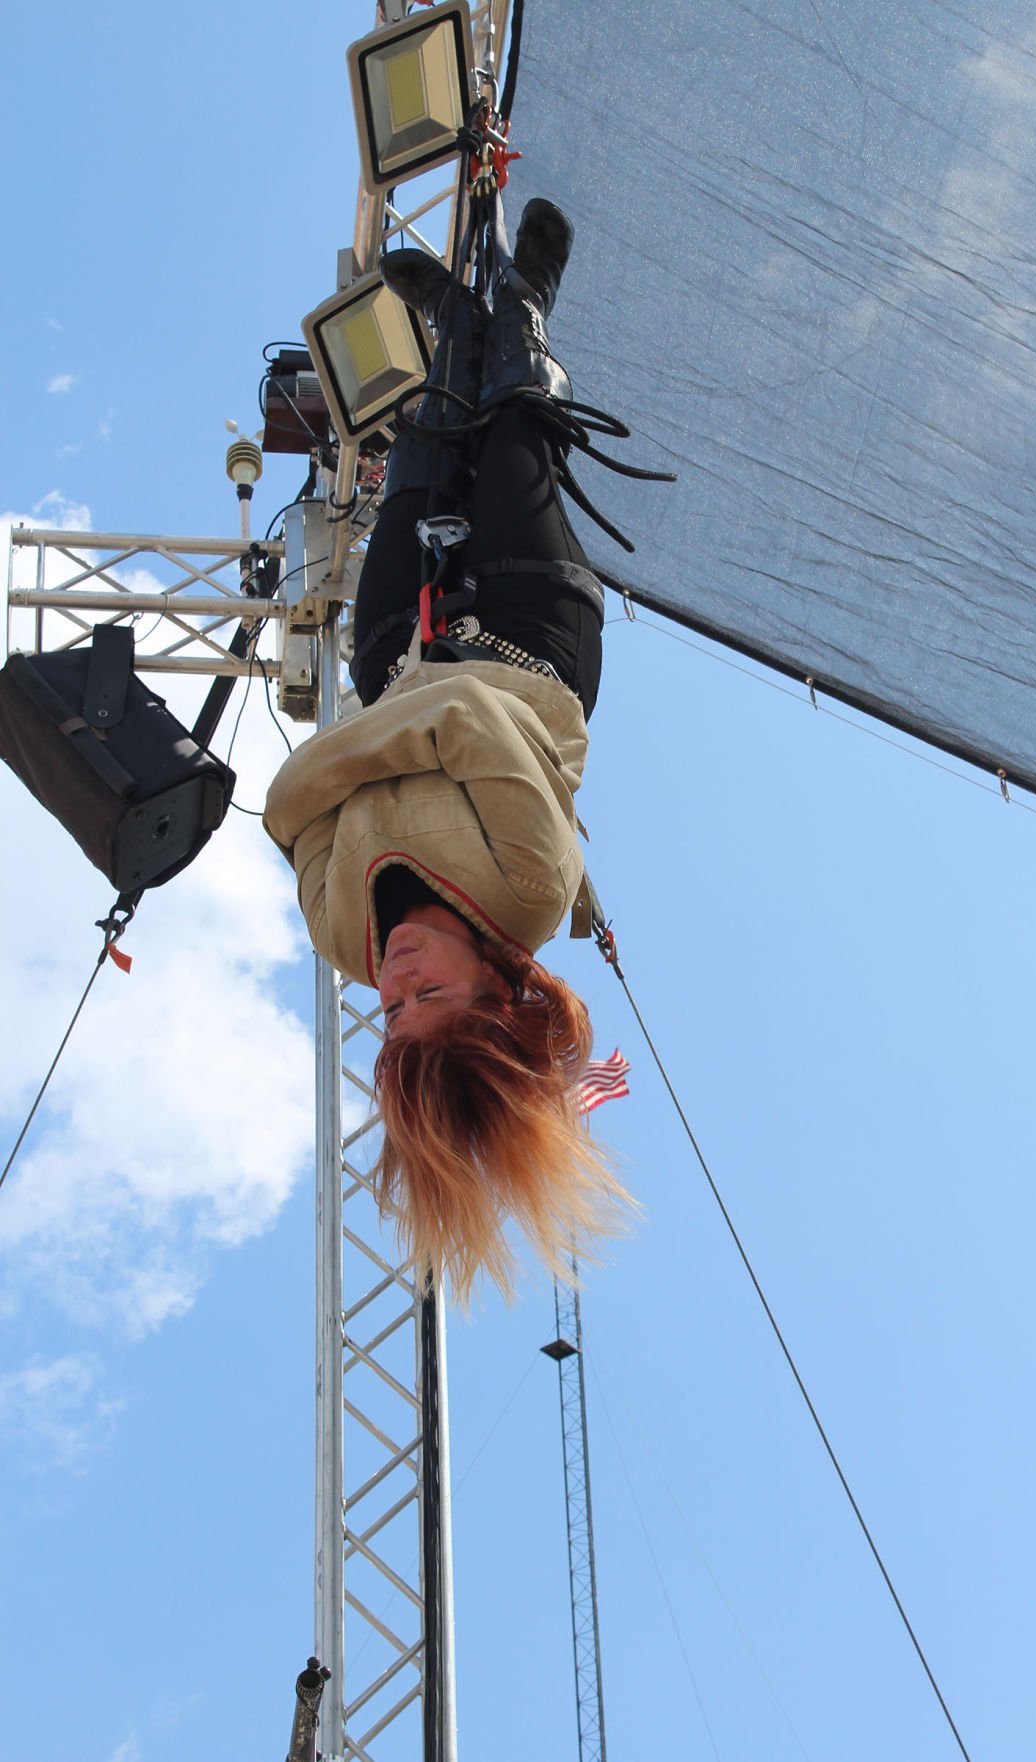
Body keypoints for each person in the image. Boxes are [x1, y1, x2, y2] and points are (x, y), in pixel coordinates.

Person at [265, 199, 633, 1301]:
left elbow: (286, 802)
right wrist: (376, 751)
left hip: (399, 650)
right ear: (495, 989)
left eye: (393, 1011)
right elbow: (368, 766)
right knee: (516, 433)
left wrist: (382, 737)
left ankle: (463, 326)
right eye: (433, 1000)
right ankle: (517, 310)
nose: (397, 983)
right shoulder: (530, 887)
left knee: (424, 445)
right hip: (532, 639)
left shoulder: (340, 933)